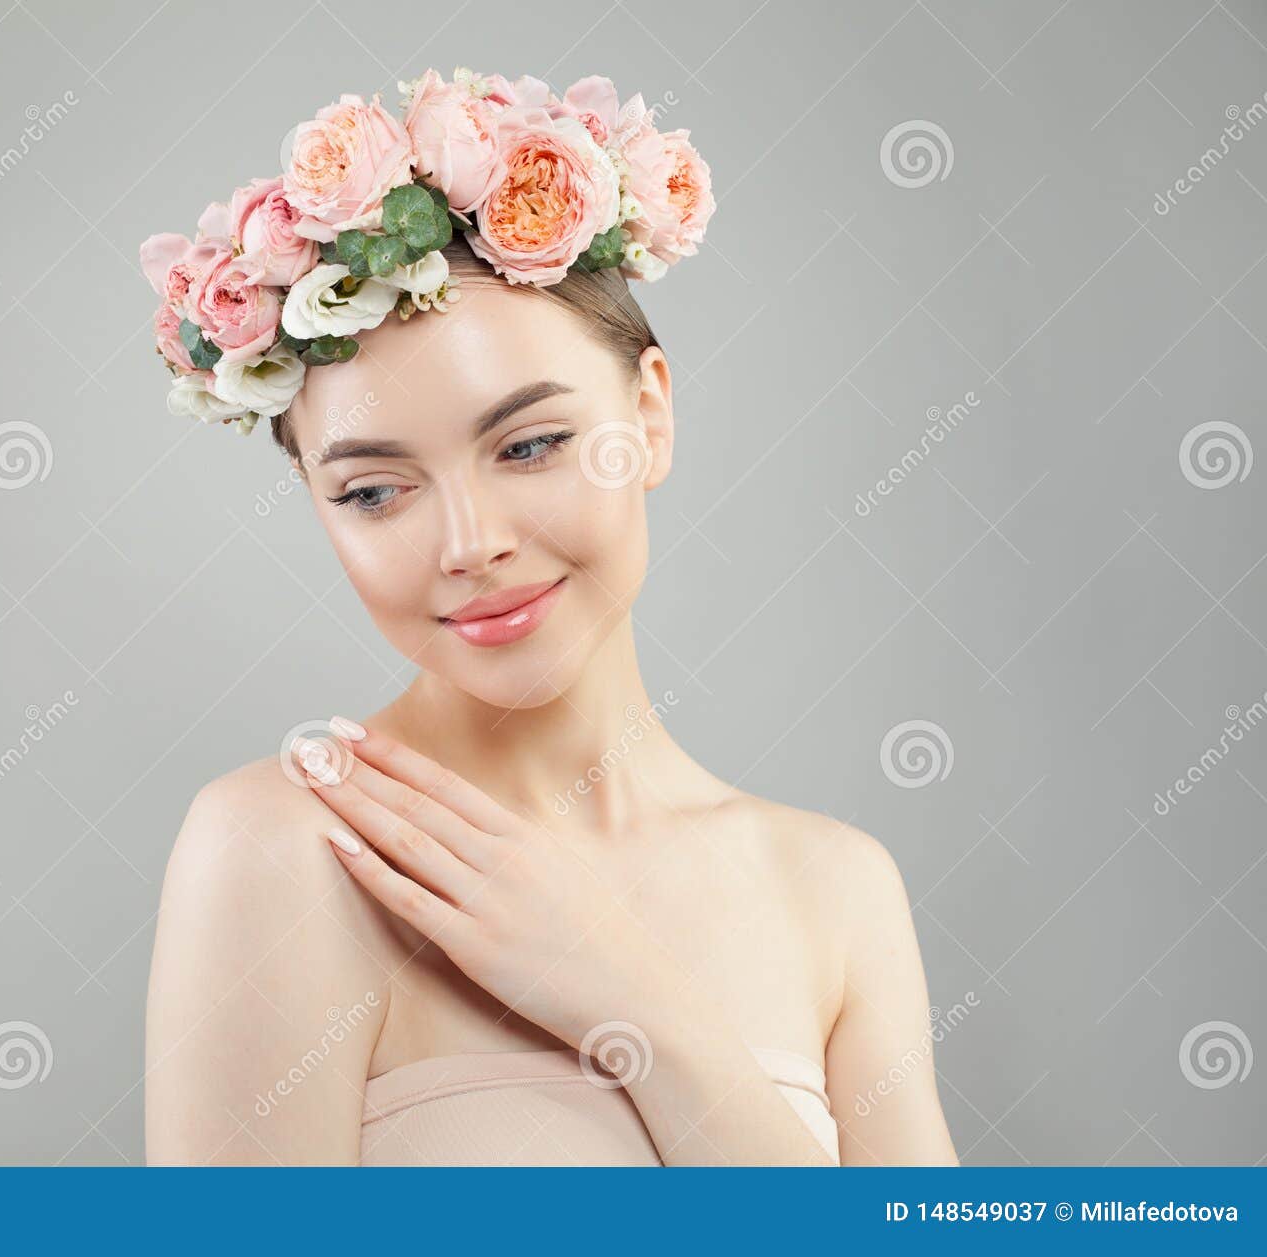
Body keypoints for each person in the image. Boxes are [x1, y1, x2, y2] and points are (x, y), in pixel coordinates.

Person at [140, 67, 958, 1166]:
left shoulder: (833, 888)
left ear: (649, 415)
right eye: (374, 491)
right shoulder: (286, 852)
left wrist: (635, 1009)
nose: (468, 543)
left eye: (528, 446)